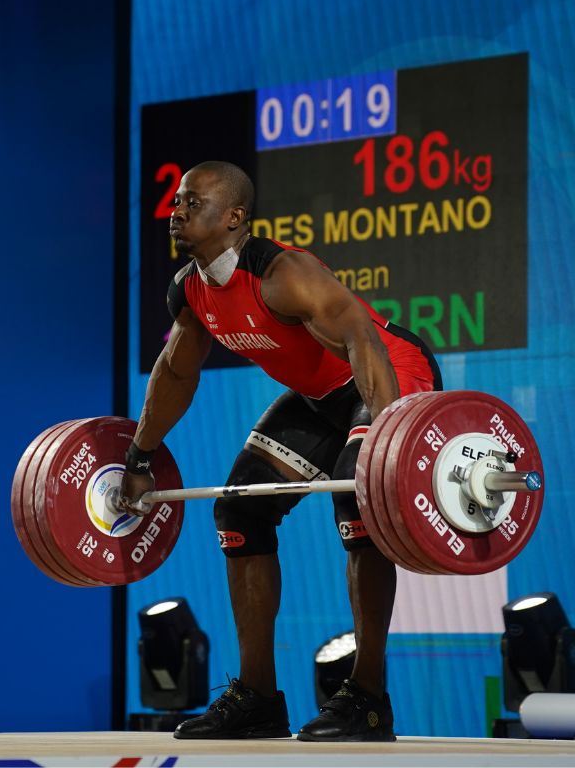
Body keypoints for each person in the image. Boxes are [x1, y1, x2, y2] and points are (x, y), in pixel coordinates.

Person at [119, 161, 441, 742]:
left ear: (235, 218)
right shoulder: (191, 290)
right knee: (240, 509)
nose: (177, 211)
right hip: (321, 395)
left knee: (358, 499)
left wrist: (390, 435)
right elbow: (175, 374)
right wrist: (140, 457)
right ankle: (258, 699)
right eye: (177, 202)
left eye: (194, 202)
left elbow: (361, 337)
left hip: (388, 372)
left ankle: (368, 699)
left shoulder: (283, 274)